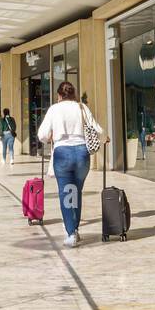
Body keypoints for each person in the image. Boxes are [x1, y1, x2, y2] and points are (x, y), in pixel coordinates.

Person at [36, 81, 103, 247]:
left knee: (66, 192)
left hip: (62, 153)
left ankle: (71, 233)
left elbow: (42, 134)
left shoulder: (54, 109)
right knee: (76, 191)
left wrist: (50, 136)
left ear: (59, 95)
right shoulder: (82, 107)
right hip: (82, 153)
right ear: (74, 94)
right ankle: (75, 229)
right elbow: (97, 129)